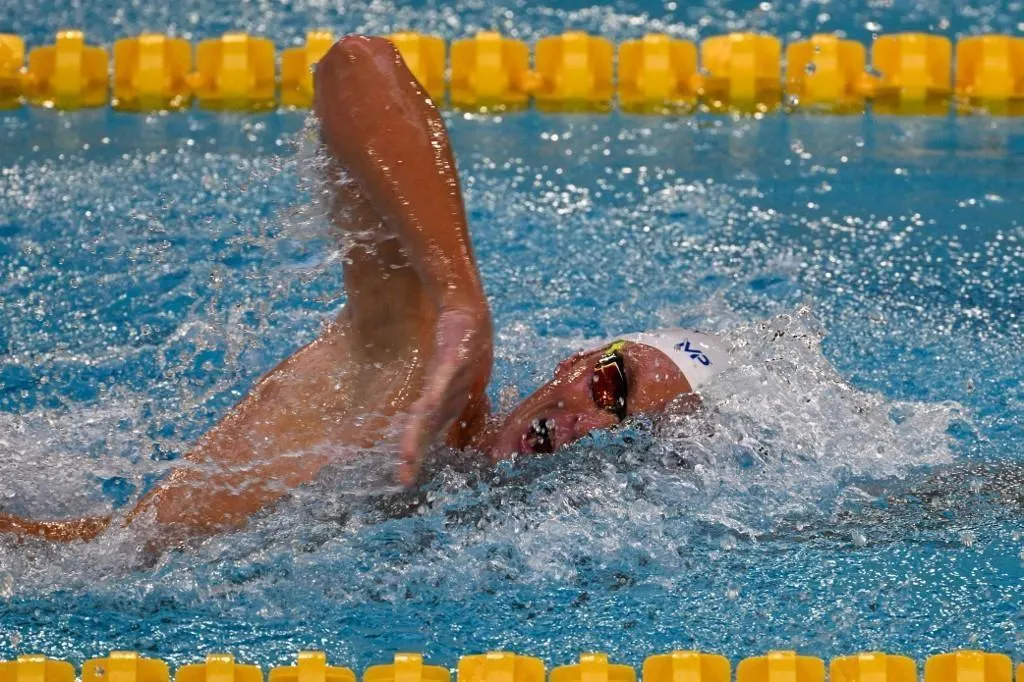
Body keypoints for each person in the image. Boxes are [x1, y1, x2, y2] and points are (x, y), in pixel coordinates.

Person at [0, 36, 727, 550]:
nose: (593, 425)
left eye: (629, 436)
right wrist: (461, 301)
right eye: (610, 383)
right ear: (577, 360)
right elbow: (357, 64)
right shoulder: (422, 383)